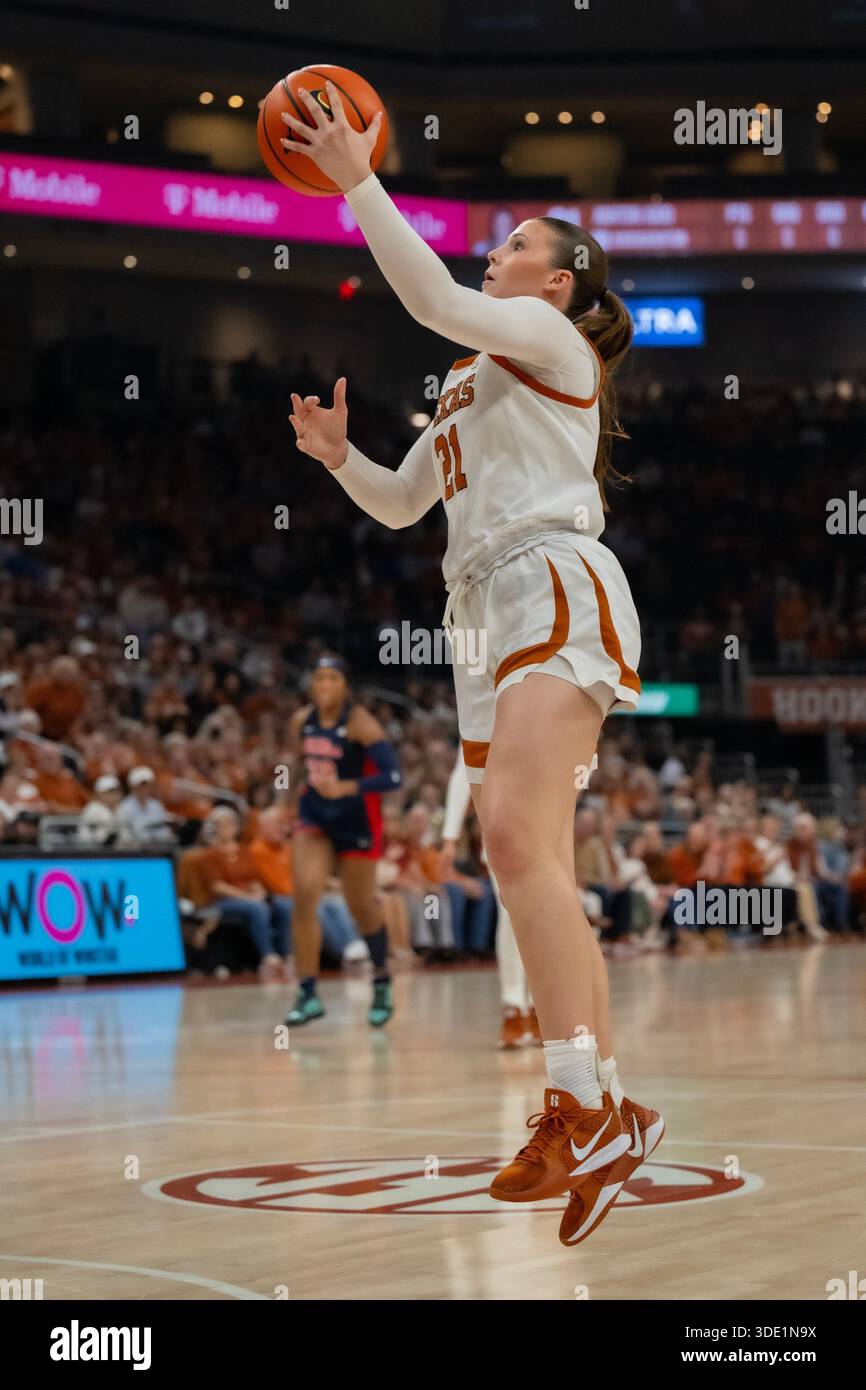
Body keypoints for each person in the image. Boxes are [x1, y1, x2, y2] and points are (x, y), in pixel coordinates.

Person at [282, 87, 662, 1248]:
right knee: (527, 855)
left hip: (552, 579)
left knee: (505, 838)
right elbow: (405, 506)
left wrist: (356, 180)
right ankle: (597, 1105)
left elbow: (432, 293)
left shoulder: (548, 340)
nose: (488, 257)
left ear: (555, 283)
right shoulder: (463, 384)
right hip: (478, 611)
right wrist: (345, 460)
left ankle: (580, 1104)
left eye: (512, 247)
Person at [285, 655, 402, 1028]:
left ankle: (381, 979)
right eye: (319, 677)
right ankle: (307, 993)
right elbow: (293, 763)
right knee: (304, 893)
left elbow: (393, 776)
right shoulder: (302, 721)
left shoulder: (361, 723)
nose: (324, 685)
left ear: (344, 685)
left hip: (356, 820)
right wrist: (287, 803)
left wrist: (347, 787)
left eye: (332, 678)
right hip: (315, 816)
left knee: (362, 908)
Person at [442, 748, 540, 1048]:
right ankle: (513, 1007)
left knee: (542, 919)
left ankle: (542, 1008)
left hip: (546, 825)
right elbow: (463, 771)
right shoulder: (484, 705)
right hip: (502, 828)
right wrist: (450, 837)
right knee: (510, 916)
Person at [201, 805, 291, 978]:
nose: (226, 829)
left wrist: (258, 891)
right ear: (213, 829)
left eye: (229, 824)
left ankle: (286, 953)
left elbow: (254, 877)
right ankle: (268, 955)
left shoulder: (244, 851)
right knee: (258, 908)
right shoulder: (210, 855)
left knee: (283, 904)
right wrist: (247, 897)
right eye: (221, 825)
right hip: (223, 901)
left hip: (249, 897)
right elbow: (217, 887)